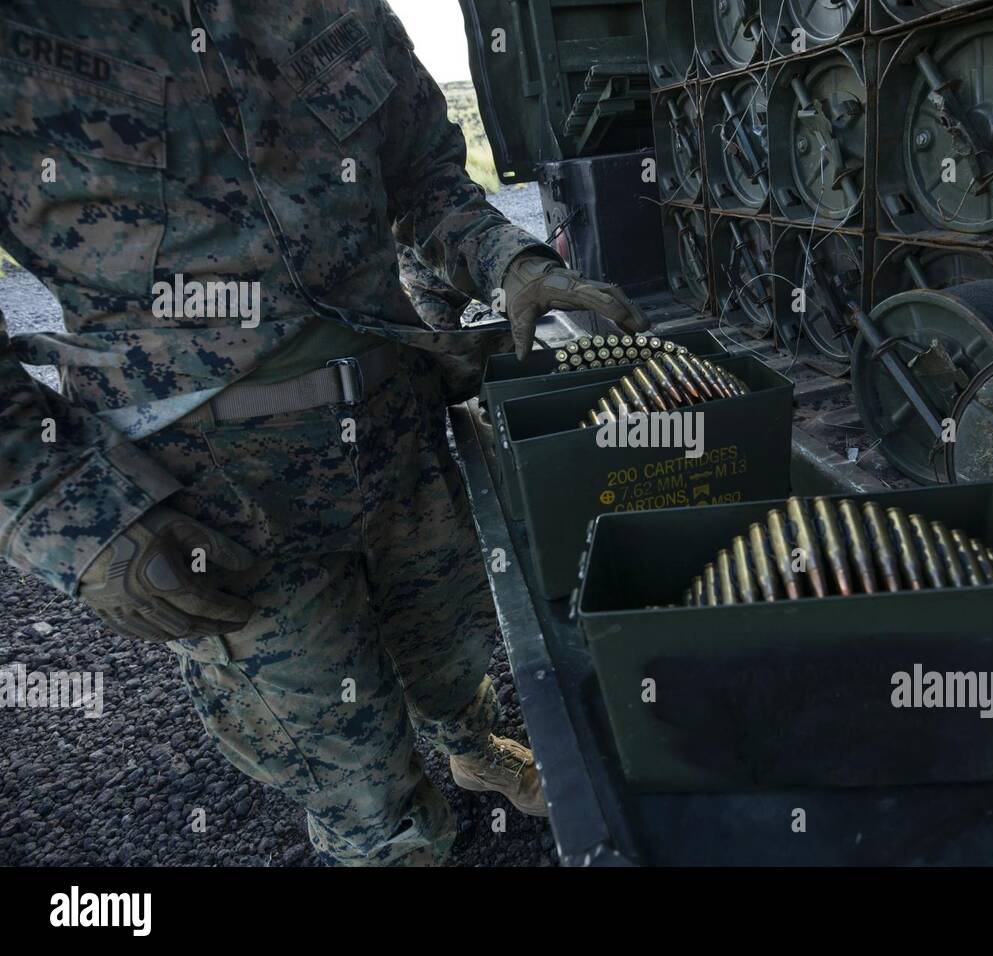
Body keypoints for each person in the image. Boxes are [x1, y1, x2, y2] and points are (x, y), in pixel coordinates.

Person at [0, 0, 646, 865]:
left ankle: (473, 751)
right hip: (211, 491)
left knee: (450, 647)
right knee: (349, 758)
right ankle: (386, 842)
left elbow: (423, 181)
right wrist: (64, 513)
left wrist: (511, 260)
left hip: (397, 431)